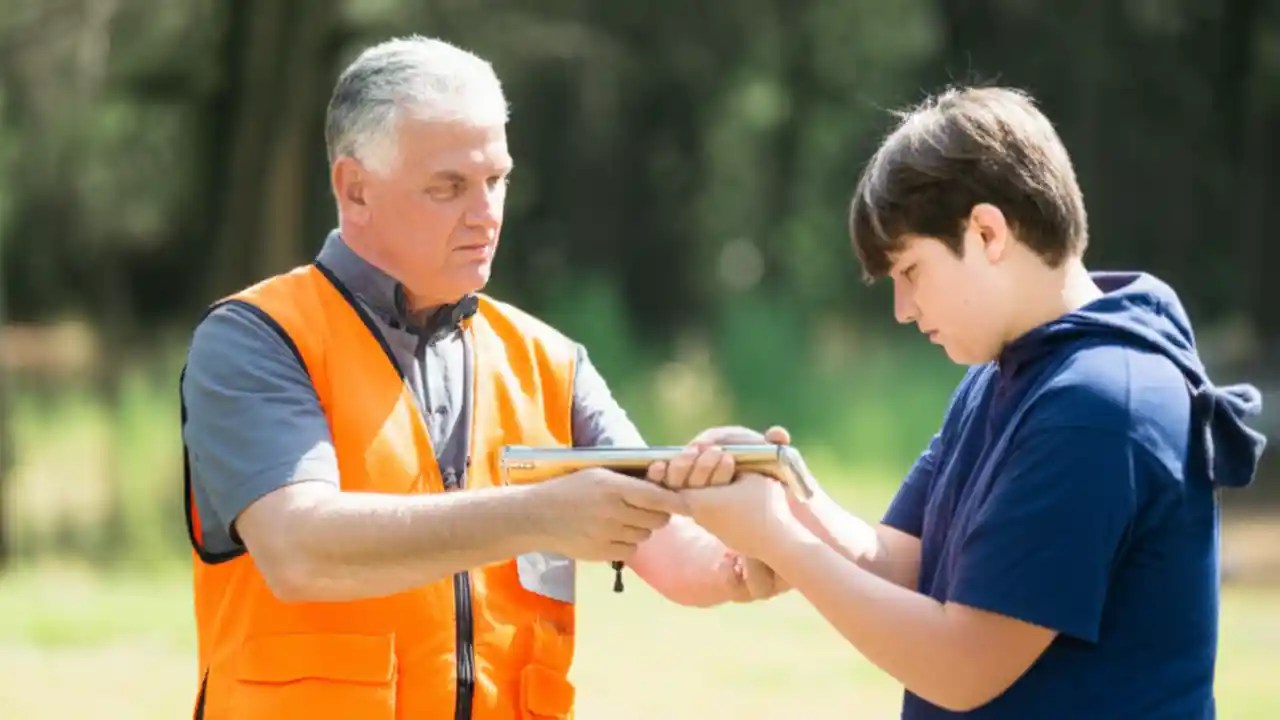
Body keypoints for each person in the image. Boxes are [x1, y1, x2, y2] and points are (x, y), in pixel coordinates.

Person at [179, 35, 781, 720]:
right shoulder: (256, 339)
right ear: (354, 189)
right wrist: (539, 514)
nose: (487, 212)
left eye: (497, 180)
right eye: (449, 187)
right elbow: (299, 548)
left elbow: (671, 554)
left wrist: (750, 560)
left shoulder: (550, 360)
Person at [656, 86, 1267, 718]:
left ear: (987, 231)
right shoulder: (1005, 372)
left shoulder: (1101, 406)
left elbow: (961, 666)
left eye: (911, 272)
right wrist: (786, 490)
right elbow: (903, 562)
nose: (902, 309)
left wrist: (781, 542)